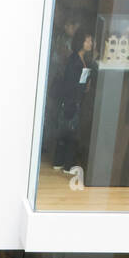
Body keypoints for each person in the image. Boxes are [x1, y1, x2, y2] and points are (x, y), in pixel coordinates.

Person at [53, 29, 94, 173]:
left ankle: (60, 162)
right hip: (71, 101)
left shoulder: (82, 59)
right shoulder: (74, 60)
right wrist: (82, 88)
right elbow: (71, 83)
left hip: (75, 100)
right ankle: (66, 165)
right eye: (87, 40)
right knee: (70, 133)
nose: (90, 43)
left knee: (67, 132)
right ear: (80, 42)